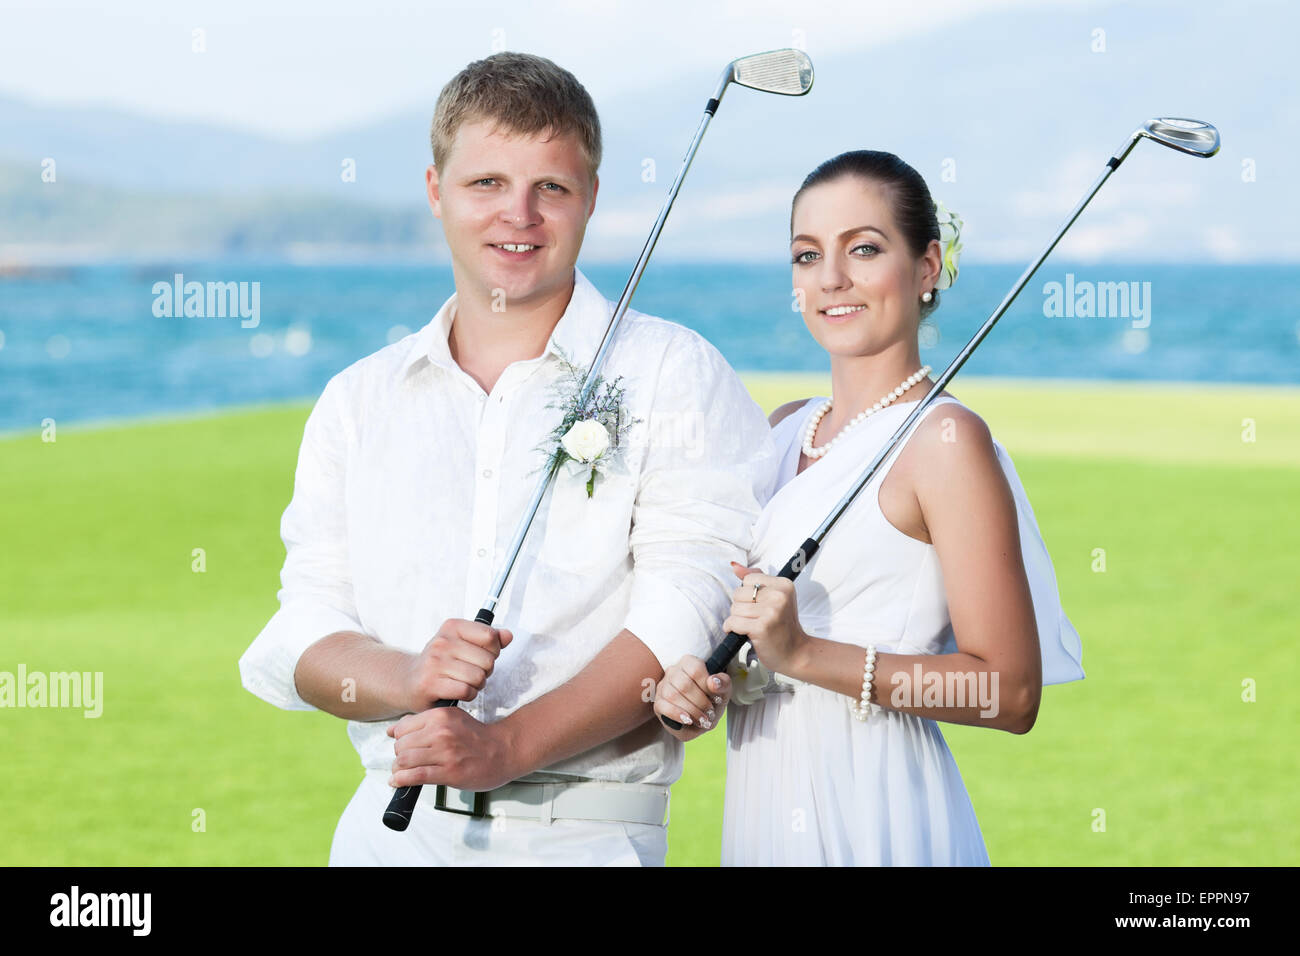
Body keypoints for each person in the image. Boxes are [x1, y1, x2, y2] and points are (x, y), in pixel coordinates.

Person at [238, 52, 778, 866]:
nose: (517, 216)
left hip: (585, 833)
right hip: (389, 834)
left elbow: (687, 614)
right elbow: (309, 626)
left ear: (590, 198)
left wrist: (507, 746)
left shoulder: (675, 370)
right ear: (436, 192)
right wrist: (409, 673)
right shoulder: (357, 399)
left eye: (550, 189)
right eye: (486, 183)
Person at [652, 150, 1085, 866]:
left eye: (864, 248)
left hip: (877, 810)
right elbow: (750, 639)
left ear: (926, 268)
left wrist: (805, 653)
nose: (831, 279)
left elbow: (1009, 693)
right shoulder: (782, 427)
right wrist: (704, 683)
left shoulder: (946, 441)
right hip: (763, 801)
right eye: (806, 255)